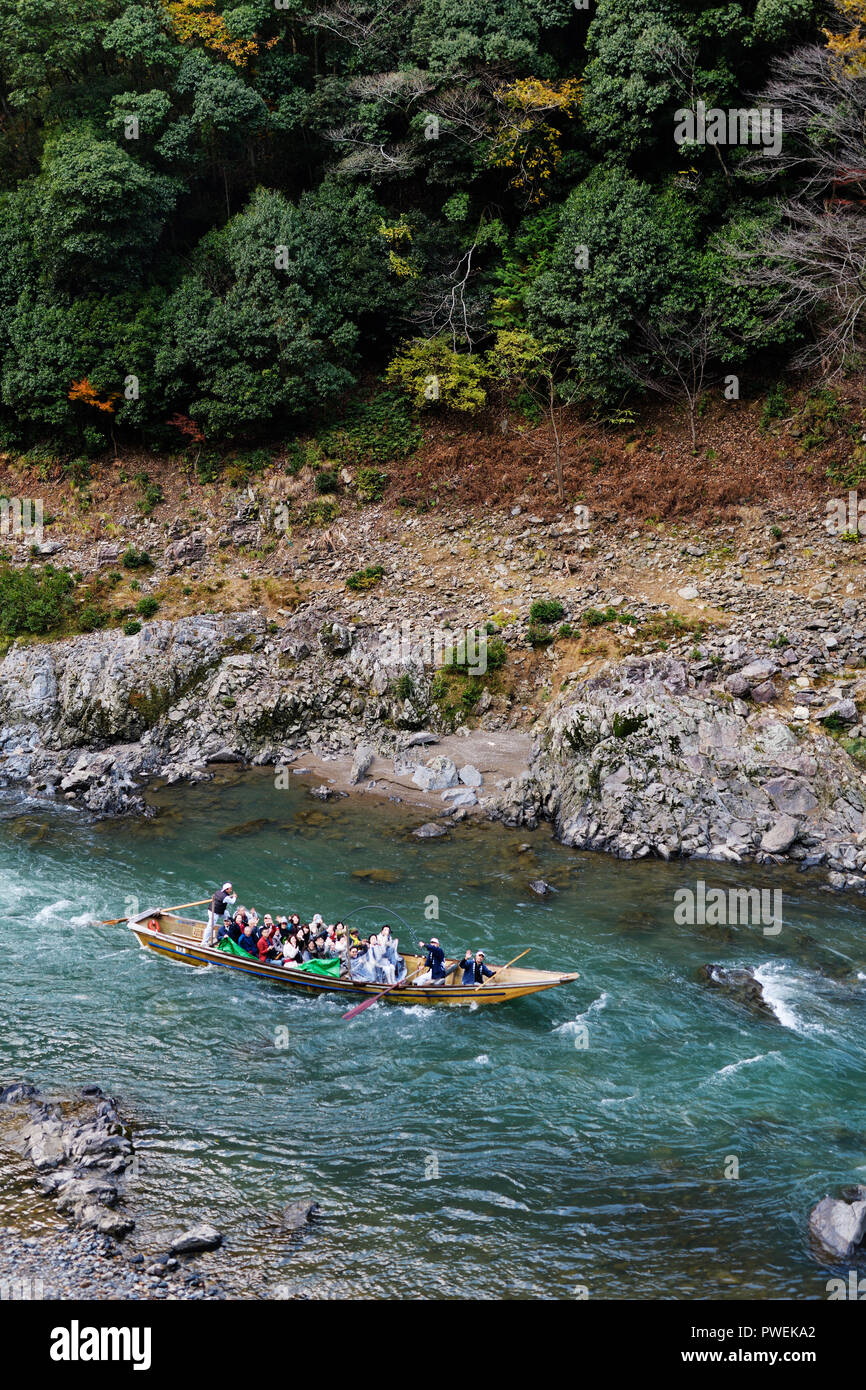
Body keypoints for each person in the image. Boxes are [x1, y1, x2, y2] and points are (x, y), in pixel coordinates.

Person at [203, 882, 235, 947]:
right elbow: (232, 902)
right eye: (230, 889)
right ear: (226, 889)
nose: (231, 890)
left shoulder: (218, 892)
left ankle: (229, 928)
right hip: (214, 912)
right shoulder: (225, 897)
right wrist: (234, 897)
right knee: (210, 926)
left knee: (227, 915)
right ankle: (204, 942)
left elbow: (224, 898)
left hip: (219, 911)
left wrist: (230, 897)